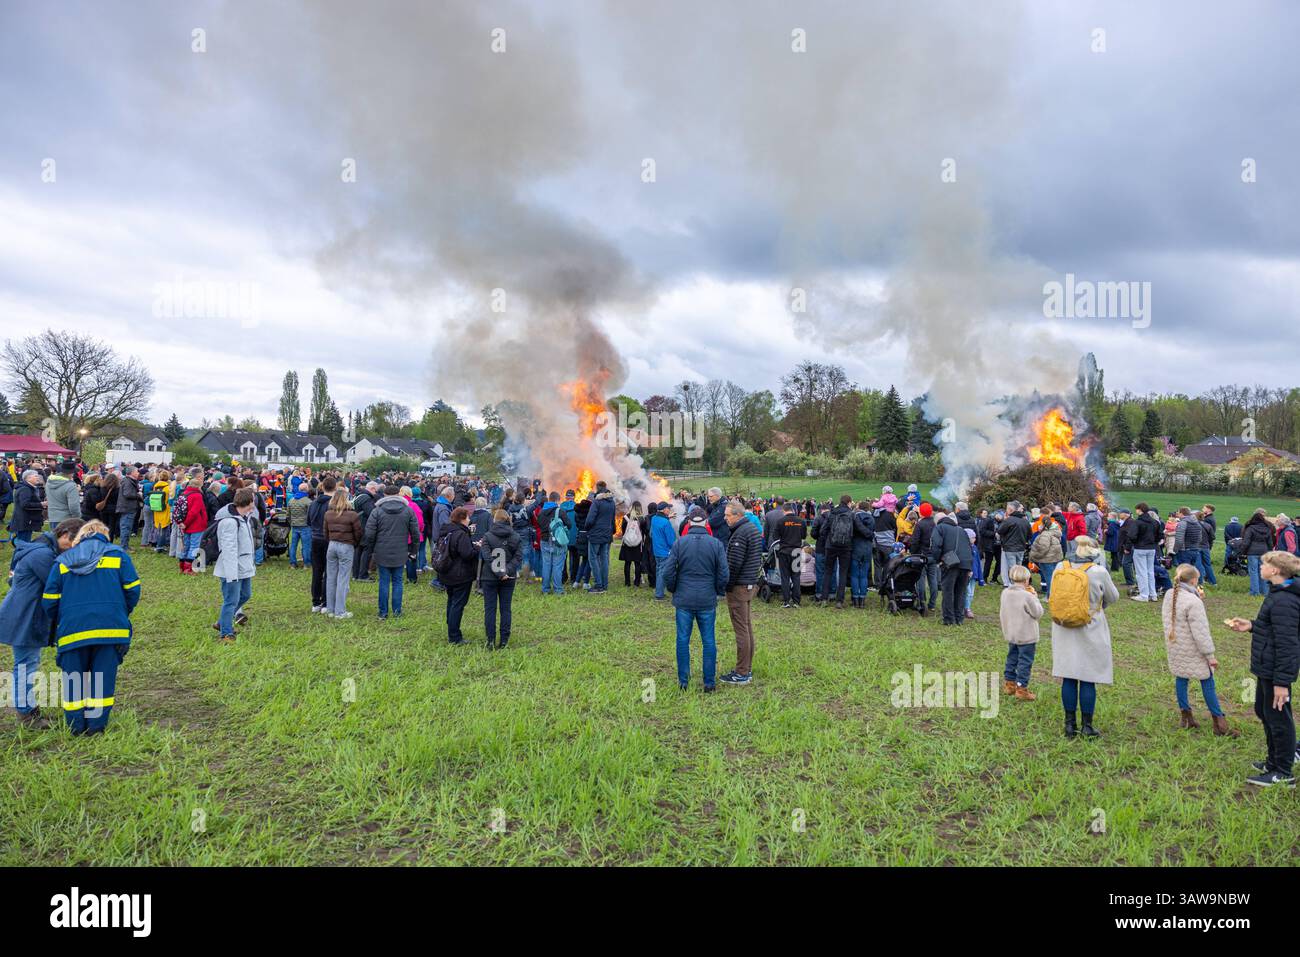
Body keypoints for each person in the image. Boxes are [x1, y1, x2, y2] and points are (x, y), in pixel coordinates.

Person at [41, 520, 140, 734]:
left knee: (74, 680)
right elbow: (133, 589)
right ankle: (96, 726)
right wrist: (121, 611)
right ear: (105, 535)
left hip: (72, 631)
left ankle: (75, 726)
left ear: (79, 537)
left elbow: (49, 599)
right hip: (111, 629)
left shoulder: (63, 560)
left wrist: (63, 618)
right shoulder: (118, 555)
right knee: (102, 679)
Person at [1227, 550, 1300, 787]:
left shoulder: (1284, 600)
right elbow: (1272, 629)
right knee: (1263, 710)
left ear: (1275, 570)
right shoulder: (1277, 592)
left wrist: (1281, 683)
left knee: (1278, 718)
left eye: (1264, 564)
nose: (1260, 567)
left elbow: (1288, 643)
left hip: (1275, 671)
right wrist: (1251, 626)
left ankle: (1283, 771)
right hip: (1267, 666)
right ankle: (1273, 761)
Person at [1, 517, 83, 727]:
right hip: (24, 616)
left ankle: (28, 709)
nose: (74, 549)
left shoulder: (44, 548)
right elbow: (60, 584)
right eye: (73, 543)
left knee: (28, 662)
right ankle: (26, 715)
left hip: (25, 613)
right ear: (64, 535)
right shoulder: (42, 555)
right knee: (26, 664)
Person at [1049, 536, 1119, 739]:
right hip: (1090, 626)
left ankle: (1069, 725)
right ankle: (1087, 726)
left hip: (1063, 626)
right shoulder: (1098, 572)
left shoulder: (1059, 567)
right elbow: (1113, 597)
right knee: (1088, 677)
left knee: (1068, 676)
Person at [1161, 563, 1237, 736]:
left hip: (1176, 646)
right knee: (1207, 680)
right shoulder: (1193, 602)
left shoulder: (1169, 594)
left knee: (1181, 677)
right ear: (1194, 580)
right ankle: (1219, 723)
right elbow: (1200, 633)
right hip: (1193, 648)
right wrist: (1210, 656)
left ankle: (1186, 717)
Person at [660, 506, 729, 692]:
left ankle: (683, 681)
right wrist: (718, 590)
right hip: (707, 598)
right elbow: (724, 573)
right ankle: (709, 682)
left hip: (684, 598)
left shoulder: (680, 543)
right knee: (709, 640)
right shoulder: (716, 544)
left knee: (683, 639)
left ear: (689, 523)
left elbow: (668, 572)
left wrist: (674, 588)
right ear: (706, 522)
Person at [720, 501, 761, 685]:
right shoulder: (751, 527)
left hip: (739, 587)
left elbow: (734, 564)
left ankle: (742, 672)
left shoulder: (741, 533)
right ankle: (747, 668)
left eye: (728, 515)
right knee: (746, 626)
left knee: (741, 629)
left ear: (737, 515)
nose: (725, 518)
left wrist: (726, 585)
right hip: (749, 583)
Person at [364, 486, 420, 620]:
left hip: (382, 550)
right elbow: (415, 534)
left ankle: (383, 612)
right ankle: (397, 612)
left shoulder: (377, 511)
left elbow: (369, 534)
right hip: (400, 551)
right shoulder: (408, 511)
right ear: (398, 494)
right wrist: (413, 551)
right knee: (397, 581)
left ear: (384, 495)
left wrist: (371, 550)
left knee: (384, 581)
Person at [212, 488, 257, 643]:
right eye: (253, 499)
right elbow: (229, 549)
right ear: (248, 502)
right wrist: (232, 574)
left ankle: (222, 621)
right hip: (231, 568)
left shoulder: (244, 517)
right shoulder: (229, 522)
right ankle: (226, 633)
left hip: (243, 566)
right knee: (231, 600)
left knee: (246, 594)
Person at [479, 507, 523, 649]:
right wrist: (506, 571)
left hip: (490, 577)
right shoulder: (515, 536)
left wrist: (500, 572)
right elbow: (518, 558)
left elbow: (487, 557)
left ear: (494, 520)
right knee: (506, 608)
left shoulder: (487, 536)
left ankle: (490, 640)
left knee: (490, 609)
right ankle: (504, 640)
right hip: (507, 577)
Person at [999, 565, 1043, 701]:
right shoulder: (1027, 595)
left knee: (1012, 658)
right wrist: (1035, 597)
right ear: (1026, 579)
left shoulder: (1005, 592)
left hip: (1012, 633)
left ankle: (1009, 683)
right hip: (1026, 635)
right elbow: (1038, 613)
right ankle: (1021, 687)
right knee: (1025, 661)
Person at [438, 506, 478, 644]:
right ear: (462, 519)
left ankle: (451, 628)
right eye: (467, 517)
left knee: (451, 601)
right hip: (460, 574)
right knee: (458, 604)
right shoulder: (460, 534)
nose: (469, 519)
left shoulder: (446, 531)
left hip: (447, 572)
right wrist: (476, 548)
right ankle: (454, 636)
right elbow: (467, 554)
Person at [323, 488, 362, 619]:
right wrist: (354, 544)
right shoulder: (352, 515)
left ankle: (331, 609)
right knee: (343, 579)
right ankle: (340, 611)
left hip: (332, 545)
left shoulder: (328, 514)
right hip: (346, 545)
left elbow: (325, 532)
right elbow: (358, 533)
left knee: (331, 578)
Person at [930, 510, 973, 625]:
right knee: (960, 591)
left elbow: (936, 546)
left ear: (937, 521)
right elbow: (969, 546)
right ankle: (959, 618)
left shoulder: (940, 528)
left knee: (948, 591)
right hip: (966, 563)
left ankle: (949, 619)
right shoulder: (961, 530)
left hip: (950, 563)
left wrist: (938, 560)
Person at [817, 494, 854, 609]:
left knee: (828, 572)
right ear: (849, 502)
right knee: (843, 573)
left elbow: (823, 530)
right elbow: (856, 530)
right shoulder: (851, 514)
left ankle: (824, 599)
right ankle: (839, 601)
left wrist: (828, 539)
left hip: (831, 546)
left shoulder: (832, 513)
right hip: (846, 547)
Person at [584, 481, 616, 593]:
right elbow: (613, 520)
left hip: (595, 535)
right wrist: (612, 532)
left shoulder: (597, 502)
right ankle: (604, 585)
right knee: (604, 560)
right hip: (607, 534)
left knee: (593, 558)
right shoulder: (612, 502)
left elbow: (590, 519)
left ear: (598, 488)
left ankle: (598, 585)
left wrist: (587, 528)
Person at [1127, 502, 1162, 602]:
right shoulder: (1155, 522)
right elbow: (1160, 535)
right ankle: (1153, 594)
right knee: (1150, 571)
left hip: (1140, 549)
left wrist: (1135, 543)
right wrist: (1153, 542)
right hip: (1152, 549)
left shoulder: (1137, 522)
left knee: (1141, 572)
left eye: (1137, 509)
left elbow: (1131, 536)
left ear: (1139, 510)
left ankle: (1144, 595)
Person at [775, 501, 806, 608]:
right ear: (793, 510)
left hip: (784, 551)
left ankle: (786, 601)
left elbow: (776, 536)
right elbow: (804, 536)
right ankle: (797, 601)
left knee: (785, 577)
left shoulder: (780, 521)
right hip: (796, 551)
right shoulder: (801, 521)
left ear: (784, 511)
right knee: (796, 576)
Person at [308, 481, 332, 612]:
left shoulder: (313, 504)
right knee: (328, 571)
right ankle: (325, 602)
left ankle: (316, 602)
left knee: (317, 571)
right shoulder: (332, 504)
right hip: (327, 538)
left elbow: (308, 521)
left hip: (315, 538)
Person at [176, 475, 208, 574]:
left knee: (186, 545)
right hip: (196, 524)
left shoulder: (183, 494)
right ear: (199, 486)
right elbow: (194, 512)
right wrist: (185, 523)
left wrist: (182, 523)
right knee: (194, 546)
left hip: (185, 524)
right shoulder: (197, 495)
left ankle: (182, 566)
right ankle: (189, 569)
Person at [1240, 509, 1275, 597]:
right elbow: (1270, 542)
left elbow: (1246, 541)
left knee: (1253, 572)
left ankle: (1255, 592)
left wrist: (1243, 551)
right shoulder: (1267, 528)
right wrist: (1270, 552)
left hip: (1252, 552)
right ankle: (1264, 591)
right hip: (1264, 551)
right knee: (1262, 572)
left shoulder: (1250, 528)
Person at [1027, 514, 1063, 596]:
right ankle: (1055, 594)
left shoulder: (1045, 535)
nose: (1039, 525)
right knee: (1054, 577)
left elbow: (1043, 548)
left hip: (1047, 560)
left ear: (1044, 525)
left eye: (1040, 524)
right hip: (1055, 558)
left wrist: (1034, 556)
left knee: (1049, 578)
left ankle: (1049, 596)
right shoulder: (1055, 532)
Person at [351, 481, 380, 581]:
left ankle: (355, 574)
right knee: (366, 550)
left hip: (357, 526)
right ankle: (363, 574)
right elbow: (371, 513)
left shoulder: (358, 495)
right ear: (372, 489)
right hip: (365, 527)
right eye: (376, 491)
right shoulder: (366, 498)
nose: (376, 493)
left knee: (358, 550)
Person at [996, 502, 1030, 587]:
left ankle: (1014, 586)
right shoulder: (1025, 521)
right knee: (1018, 567)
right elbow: (1030, 535)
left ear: (1011, 510)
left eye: (1007, 509)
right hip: (1021, 548)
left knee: (1013, 569)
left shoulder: (1009, 520)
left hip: (1010, 548)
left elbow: (1000, 531)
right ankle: (1018, 584)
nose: (1006, 511)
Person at [9, 470, 45, 544]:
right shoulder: (25, 489)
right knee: (24, 544)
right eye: (35, 476)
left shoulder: (28, 488)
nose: (38, 478)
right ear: (28, 478)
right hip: (24, 521)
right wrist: (41, 504)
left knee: (23, 543)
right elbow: (25, 504)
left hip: (25, 520)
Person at [650, 502, 676, 600]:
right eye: (668, 508)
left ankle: (659, 591)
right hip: (665, 551)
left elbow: (651, 534)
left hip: (656, 550)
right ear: (664, 509)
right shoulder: (666, 523)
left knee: (658, 570)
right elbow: (671, 540)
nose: (669, 510)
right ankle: (659, 594)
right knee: (662, 573)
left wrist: (668, 517)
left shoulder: (654, 519)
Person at [45, 461, 80, 530]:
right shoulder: (71, 486)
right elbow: (74, 506)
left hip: (53, 517)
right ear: (71, 473)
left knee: (55, 539)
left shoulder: (49, 482)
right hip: (66, 519)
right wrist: (77, 518)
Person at [618, 501, 646, 587]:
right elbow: (644, 531)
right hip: (638, 544)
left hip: (627, 543)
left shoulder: (626, 517)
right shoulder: (641, 519)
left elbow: (623, 530)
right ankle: (637, 583)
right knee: (637, 563)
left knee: (627, 563)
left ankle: (627, 583)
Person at [286, 483, 313, 569]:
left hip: (294, 526)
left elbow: (288, 515)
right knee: (306, 546)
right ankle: (306, 564)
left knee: (293, 545)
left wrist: (292, 522)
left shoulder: (291, 500)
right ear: (306, 490)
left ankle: (293, 563)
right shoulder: (308, 501)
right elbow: (311, 515)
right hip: (305, 526)